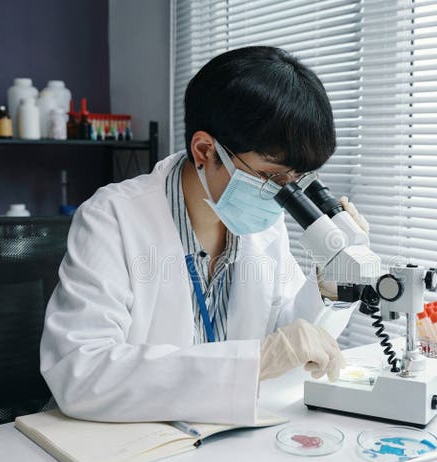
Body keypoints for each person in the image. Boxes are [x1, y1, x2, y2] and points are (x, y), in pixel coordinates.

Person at [40, 46, 368, 425]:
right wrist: (255, 362)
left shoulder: (262, 223)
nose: (283, 196)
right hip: (131, 439)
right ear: (205, 150)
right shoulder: (112, 218)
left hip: (224, 436)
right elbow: (81, 373)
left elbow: (290, 340)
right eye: (270, 176)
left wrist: (330, 288)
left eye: (296, 181)